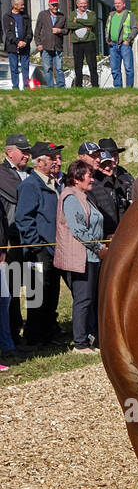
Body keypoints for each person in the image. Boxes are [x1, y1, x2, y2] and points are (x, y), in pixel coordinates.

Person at [54, 158, 106, 352]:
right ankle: (80, 343)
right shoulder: (71, 198)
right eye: (89, 175)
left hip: (91, 257)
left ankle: (90, 338)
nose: (92, 179)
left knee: (91, 299)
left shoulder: (85, 197)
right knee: (83, 300)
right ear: (76, 178)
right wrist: (98, 247)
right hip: (81, 257)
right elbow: (78, 230)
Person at [15, 141, 62, 346]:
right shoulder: (30, 185)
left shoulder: (52, 183)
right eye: (52, 158)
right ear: (40, 161)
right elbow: (23, 218)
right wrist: (36, 246)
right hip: (39, 250)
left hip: (54, 249)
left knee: (52, 294)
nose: (56, 161)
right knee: (37, 296)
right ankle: (34, 337)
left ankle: (48, 333)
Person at [0, 134, 33, 354]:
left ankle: (34, 329)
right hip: (11, 241)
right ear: (9, 152)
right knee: (10, 290)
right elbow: (20, 198)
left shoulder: (29, 173)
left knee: (33, 287)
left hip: (29, 239)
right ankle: (12, 331)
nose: (26, 155)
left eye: (28, 151)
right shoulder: (3, 174)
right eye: (22, 151)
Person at [34, 0, 68, 88]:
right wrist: (38, 44)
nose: (55, 7)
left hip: (57, 46)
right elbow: (37, 30)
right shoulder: (42, 15)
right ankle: (50, 87)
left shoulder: (62, 16)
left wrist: (59, 30)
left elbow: (67, 30)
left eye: (56, 5)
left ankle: (61, 86)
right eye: (53, 5)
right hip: (45, 46)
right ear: (49, 5)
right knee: (47, 68)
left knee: (59, 68)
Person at [88, 151, 123, 236]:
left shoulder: (116, 181)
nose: (107, 168)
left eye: (109, 163)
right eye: (103, 165)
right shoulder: (94, 186)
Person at [106, 0, 137, 87]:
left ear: (124, 4)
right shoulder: (111, 15)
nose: (117, 5)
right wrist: (107, 39)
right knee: (115, 69)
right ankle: (118, 88)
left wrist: (128, 40)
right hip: (113, 45)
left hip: (125, 45)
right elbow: (107, 28)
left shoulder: (129, 15)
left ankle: (129, 88)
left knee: (128, 68)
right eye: (115, 3)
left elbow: (135, 29)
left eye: (119, 3)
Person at [2, 0, 33, 89]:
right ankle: (15, 86)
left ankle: (26, 86)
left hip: (25, 46)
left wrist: (25, 42)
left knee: (25, 67)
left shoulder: (25, 16)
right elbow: (8, 32)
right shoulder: (7, 16)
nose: (23, 6)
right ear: (15, 5)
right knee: (13, 67)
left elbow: (29, 32)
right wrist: (17, 42)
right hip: (12, 46)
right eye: (21, 5)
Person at [69, 0, 98, 88]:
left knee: (92, 65)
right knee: (78, 65)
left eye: (85, 3)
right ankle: (78, 85)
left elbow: (92, 23)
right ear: (77, 4)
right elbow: (69, 25)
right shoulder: (73, 14)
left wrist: (77, 20)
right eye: (81, 3)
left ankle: (95, 85)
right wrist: (83, 25)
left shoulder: (91, 13)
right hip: (77, 43)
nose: (83, 5)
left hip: (89, 42)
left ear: (87, 4)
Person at [99, 139, 134, 214]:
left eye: (115, 154)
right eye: (110, 155)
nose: (113, 158)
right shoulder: (97, 177)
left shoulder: (124, 173)